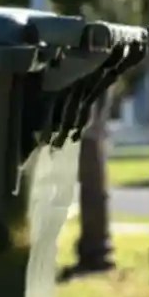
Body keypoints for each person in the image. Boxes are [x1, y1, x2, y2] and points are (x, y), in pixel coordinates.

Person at [59, 89, 114, 281]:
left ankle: (96, 251)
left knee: (89, 145)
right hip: (98, 68)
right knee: (90, 144)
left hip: (90, 71)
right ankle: (97, 249)